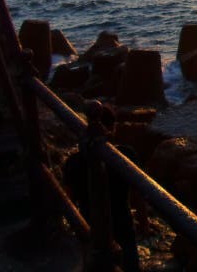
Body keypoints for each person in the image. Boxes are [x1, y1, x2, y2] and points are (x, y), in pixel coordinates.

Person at [63, 103, 143, 272]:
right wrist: (144, 221)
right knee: (129, 265)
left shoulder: (73, 163)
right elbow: (138, 193)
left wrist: (74, 227)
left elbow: (69, 200)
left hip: (88, 227)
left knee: (92, 262)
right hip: (123, 224)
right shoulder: (126, 156)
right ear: (113, 128)